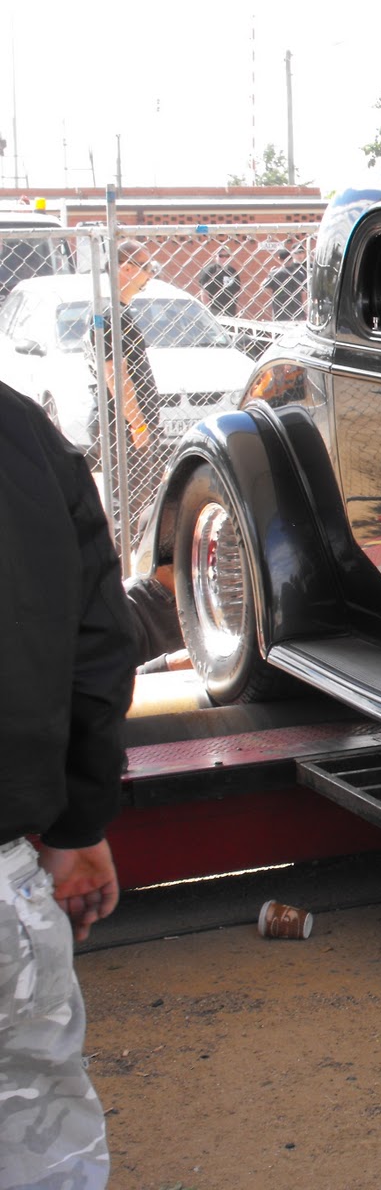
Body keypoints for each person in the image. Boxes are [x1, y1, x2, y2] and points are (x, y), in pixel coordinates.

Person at [0, 376, 138, 1190]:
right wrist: (80, 825)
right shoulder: (19, 432)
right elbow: (97, 639)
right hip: (6, 898)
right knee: (36, 1139)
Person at [94, 242, 165, 531]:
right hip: (124, 425)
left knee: (139, 498)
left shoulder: (117, 311)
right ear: (127, 268)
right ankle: (125, 569)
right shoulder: (112, 314)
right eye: (146, 268)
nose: (150, 275)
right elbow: (116, 373)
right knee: (130, 503)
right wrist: (137, 425)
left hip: (130, 423)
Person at [265, 243, 307, 321]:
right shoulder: (299, 273)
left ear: (279, 258)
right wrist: (305, 310)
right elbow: (304, 293)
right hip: (297, 311)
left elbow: (265, 288)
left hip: (279, 310)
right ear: (291, 258)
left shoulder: (274, 273)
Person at [196, 244, 241, 316]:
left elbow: (237, 292)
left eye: (227, 256)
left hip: (231, 312)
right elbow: (204, 293)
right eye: (221, 256)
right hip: (215, 311)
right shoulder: (210, 271)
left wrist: (238, 311)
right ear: (215, 257)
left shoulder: (233, 271)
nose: (224, 258)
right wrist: (209, 311)